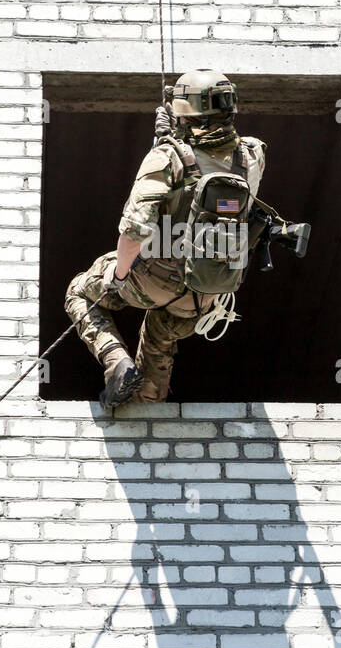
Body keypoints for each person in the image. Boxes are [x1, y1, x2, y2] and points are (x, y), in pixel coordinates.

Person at [64, 69, 267, 408]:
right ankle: (146, 406)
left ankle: (116, 362)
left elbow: (134, 230)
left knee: (80, 290)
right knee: (160, 333)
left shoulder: (167, 159)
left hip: (155, 281)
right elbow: (213, 188)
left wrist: (120, 276)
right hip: (206, 293)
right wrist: (176, 138)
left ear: (184, 112)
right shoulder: (252, 156)